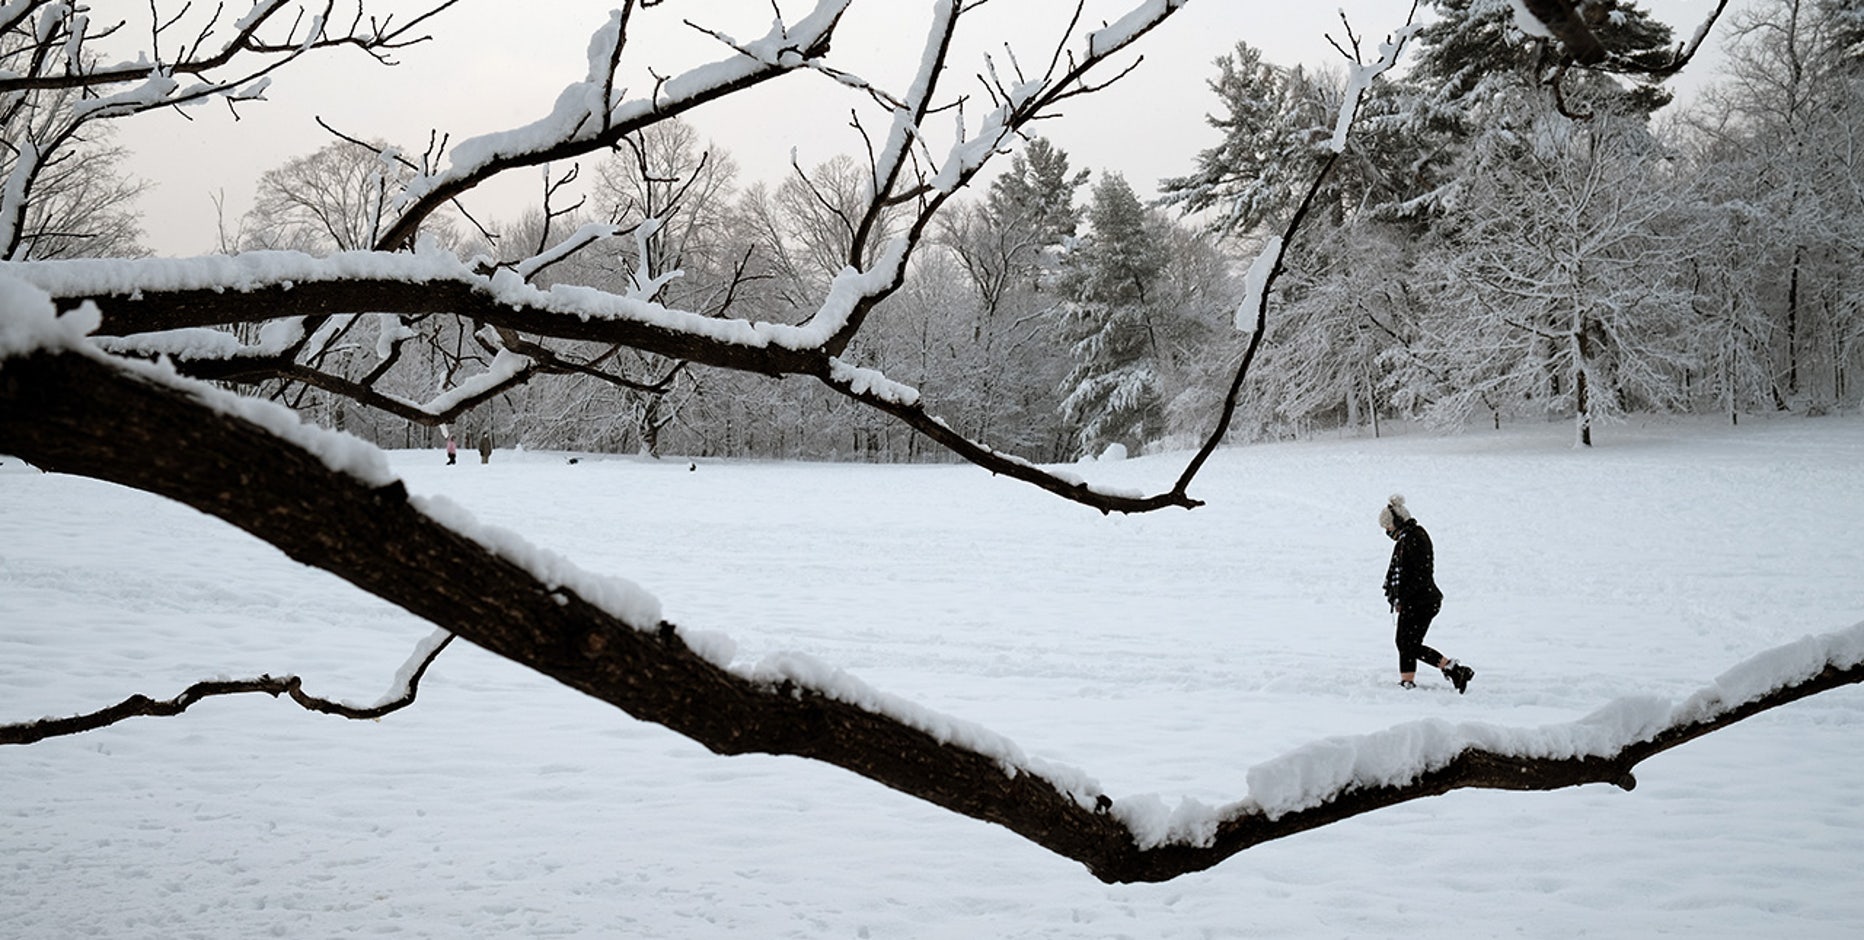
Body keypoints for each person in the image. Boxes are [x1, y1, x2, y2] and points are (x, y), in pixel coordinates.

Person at [1380, 494, 1474, 693]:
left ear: (1396, 522)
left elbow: (1419, 574)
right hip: (1421, 599)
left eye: (1387, 527)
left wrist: (1403, 597)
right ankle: (1412, 680)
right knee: (1406, 643)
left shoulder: (1415, 538)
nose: (1387, 532)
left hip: (1422, 600)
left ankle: (1453, 669)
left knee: (1408, 644)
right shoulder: (1410, 536)